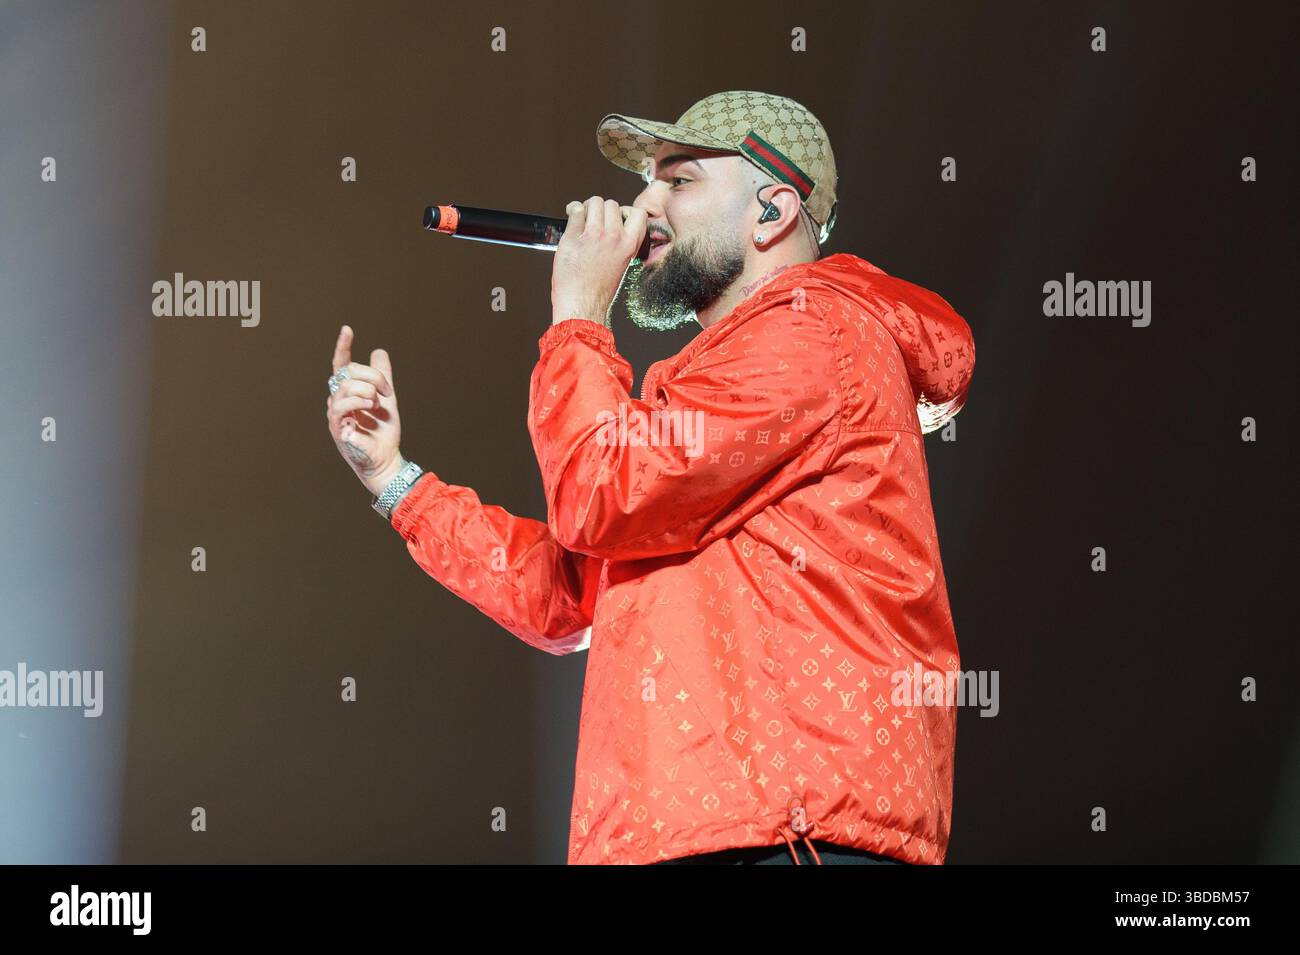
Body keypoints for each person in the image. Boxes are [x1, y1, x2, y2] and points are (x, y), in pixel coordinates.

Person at [325, 91, 975, 865]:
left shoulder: (815, 328)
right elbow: (566, 591)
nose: (643, 205)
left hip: (784, 833)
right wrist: (394, 477)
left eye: (681, 180)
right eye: (649, 184)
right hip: (695, 831)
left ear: (771, 212)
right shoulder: (723, 380)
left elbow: (603, 490)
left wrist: (577, 315)